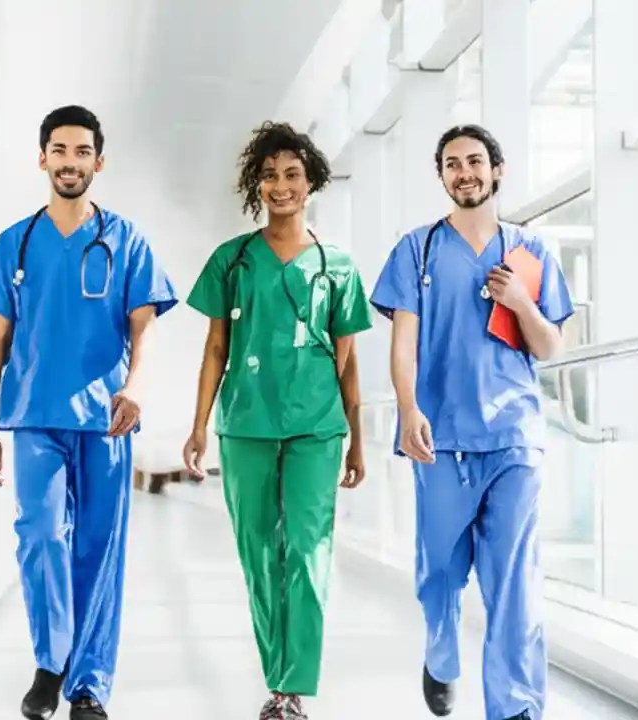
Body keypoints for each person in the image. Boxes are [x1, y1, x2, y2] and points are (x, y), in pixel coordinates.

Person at [0, 105, 178, 720]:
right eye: (59, 150)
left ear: (98, 162)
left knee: (97, 549)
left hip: (106, 417)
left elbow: (144, 326)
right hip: (35, 415)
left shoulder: (126, 240)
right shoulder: (16, 243)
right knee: (39, 533)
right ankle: (51, 659)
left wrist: (136, 387)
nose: (70, 162)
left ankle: (89, 686)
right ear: (42, 159)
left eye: (82, 151)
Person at [369, 124, 575, 720]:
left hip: (514, 437)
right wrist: (408, 409)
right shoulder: (418, 250)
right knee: (439, 572)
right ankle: (441, 652)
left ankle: (514, 707)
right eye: (453, 164)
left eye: (475, 161)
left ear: (497, 169)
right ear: (442, 176)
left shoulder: (530, 253)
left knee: (513, 582)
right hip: (440, 436)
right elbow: (403, 344)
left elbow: (549, 346)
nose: (466, 172)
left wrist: (521, 302)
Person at [181, 121, 372, 720]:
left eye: (292, 174)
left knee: (309, 551)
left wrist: (357, 440)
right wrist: (198, 425)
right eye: (269, 175)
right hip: (245, 424)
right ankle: (277, 681)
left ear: (311, 182)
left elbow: (347, 361)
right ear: (256, 185)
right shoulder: (232, 260)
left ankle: (293, 690)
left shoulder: (338, 266)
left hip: (317, 427)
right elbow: (216, 348)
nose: (281, 185)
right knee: (260, 553)